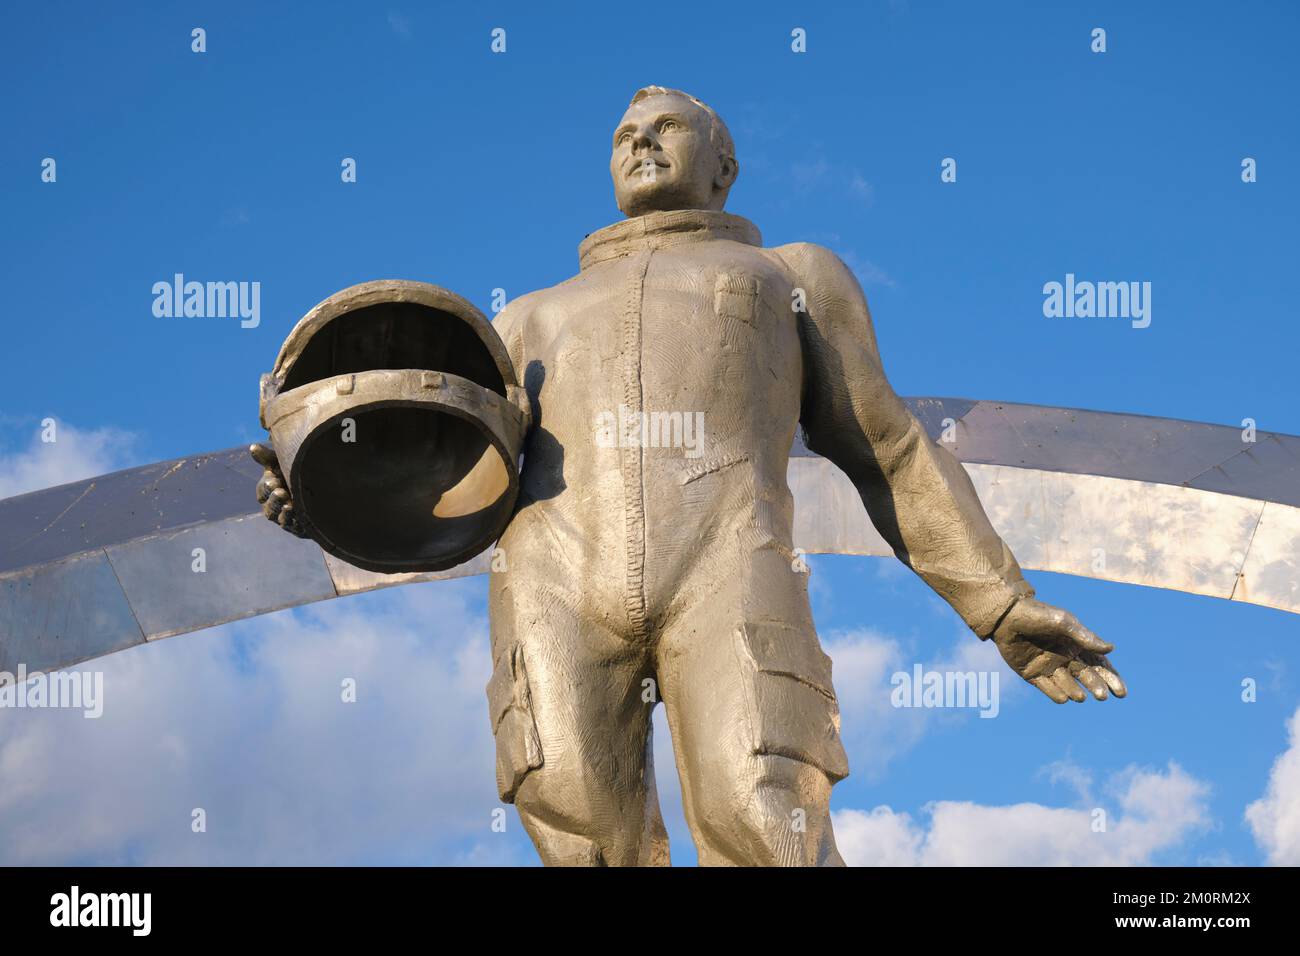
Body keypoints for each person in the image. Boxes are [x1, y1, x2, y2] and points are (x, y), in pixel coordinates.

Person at [253, 86, 1125, 866]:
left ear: (724, 167)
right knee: (582, 834)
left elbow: (888, 448)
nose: (640, 142)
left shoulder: (790, 275)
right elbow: (453, 494)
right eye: (625, 133)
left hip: (727, 569)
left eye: (666, 128)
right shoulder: (523, 319)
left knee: (765, 818)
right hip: (555, 590)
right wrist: (330, 503)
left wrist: (999, 602)